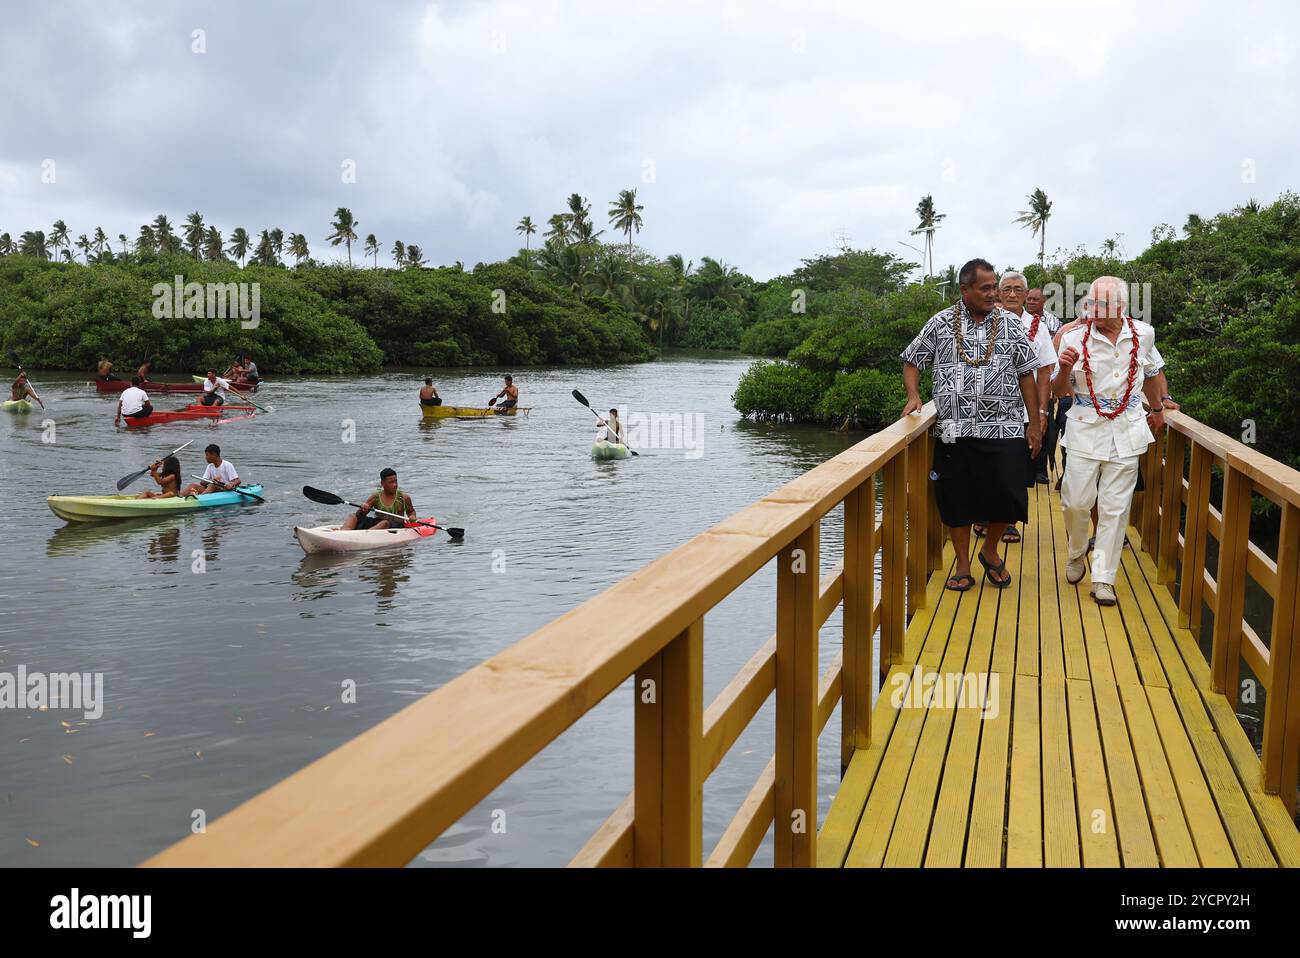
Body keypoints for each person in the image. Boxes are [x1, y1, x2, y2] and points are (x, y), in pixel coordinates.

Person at [900, 258, 1042, 592]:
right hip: (954, 429)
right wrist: (913, 395)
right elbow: (912, 360)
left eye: (995, 286)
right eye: (986, 288)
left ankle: (990, 550)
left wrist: (1034, 423)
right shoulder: (940, 322)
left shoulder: (1010, 323)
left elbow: (1026, 373)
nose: (994, 293)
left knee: (1008, 494)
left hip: (1004, 427)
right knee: (956, 498)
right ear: (965, 289)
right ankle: (963, 564)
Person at [1053, 276, 1166, 606]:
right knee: (1076, 502)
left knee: (1115, 509)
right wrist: (1063, 370)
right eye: (1090, 303)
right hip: (1086, 427)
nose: (1093, 310)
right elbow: (1059, 392)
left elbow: (1151, 373)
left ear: (1121, 307)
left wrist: (1158, 407)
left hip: (1127, 431)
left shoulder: (1143, 334)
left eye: (1101, 304)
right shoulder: (1072, 337)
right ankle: (1076, 553)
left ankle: (1103, 578)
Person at [974, 271, 1058, 543]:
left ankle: (1009, 521)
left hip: (1025, 410)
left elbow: (1045, 371)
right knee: (988, 466)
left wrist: (1042, 413)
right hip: (988, 410)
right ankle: (985, 514)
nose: (1012, 294)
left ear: (1026, 294)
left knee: (1017, 468)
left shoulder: (1038, 327)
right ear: (998, 293)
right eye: (1007, 289)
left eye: (1018, 290)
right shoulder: (984, 322)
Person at [341, 468, 418, 531]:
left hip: (395, 527)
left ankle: (366, 536)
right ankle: (344, 533)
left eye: (395, 481)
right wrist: (363, 508)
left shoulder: (404, 497)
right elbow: (360, 515)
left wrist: (412, 516)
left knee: (385, 523)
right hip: (378, 525)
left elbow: (411, 511)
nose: (395, 485)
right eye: (391, 482)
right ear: (382, 483)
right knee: (352, 516)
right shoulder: (375, 497)